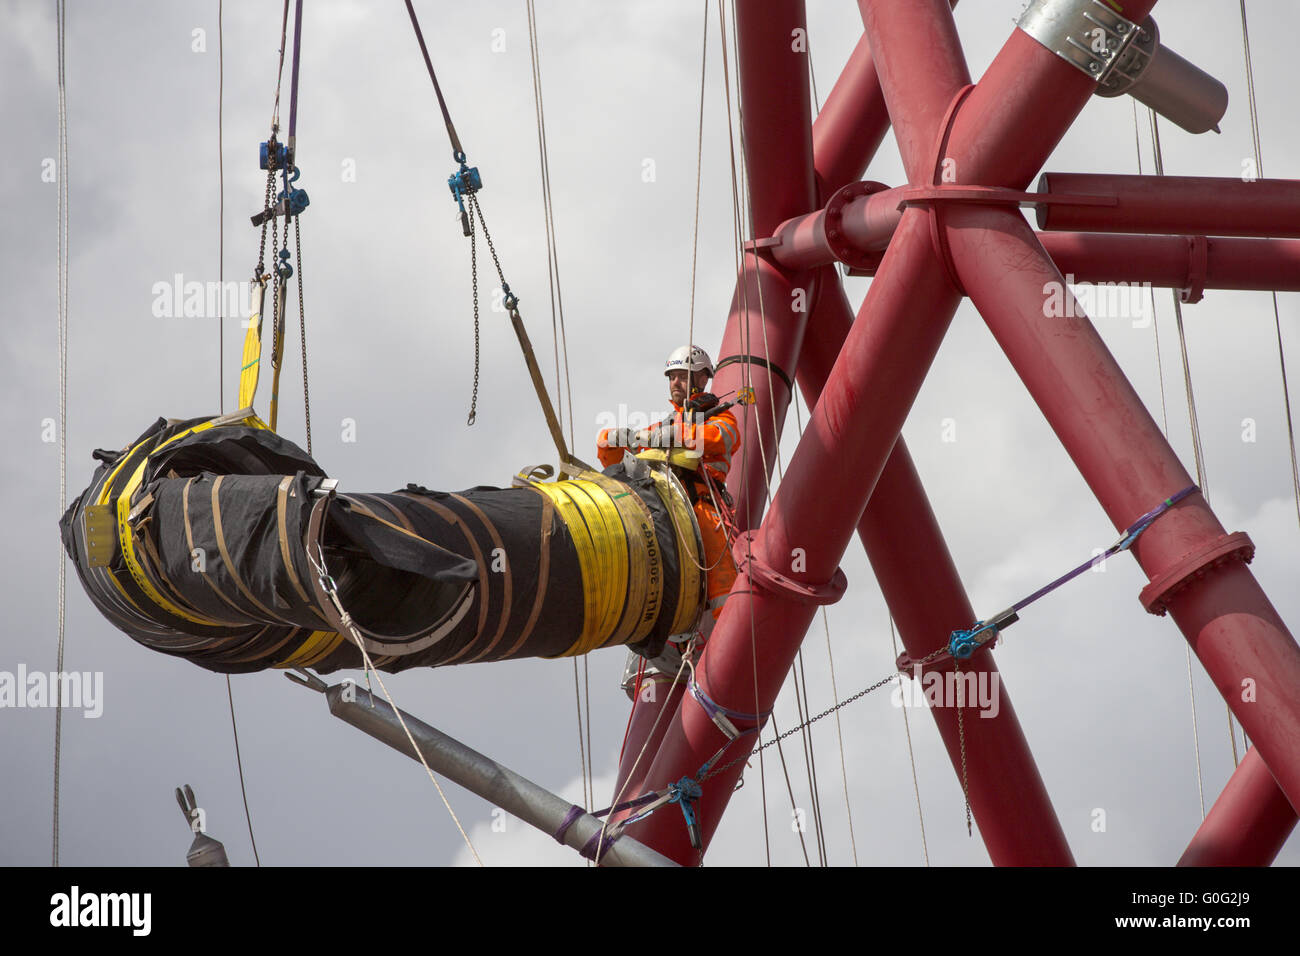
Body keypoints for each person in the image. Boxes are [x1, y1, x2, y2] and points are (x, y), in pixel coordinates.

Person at [597, 345, 740, 641]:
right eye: (672, 376)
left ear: (702, 379)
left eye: (682, 376)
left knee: (724, 582)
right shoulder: (664, 425)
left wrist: (679, 436)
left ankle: (732, 639)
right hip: (659, 505)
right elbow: (616, 463)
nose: (675, 383)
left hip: (700, 505)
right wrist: (610, 440)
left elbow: (721, 439)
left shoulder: (719, 419)